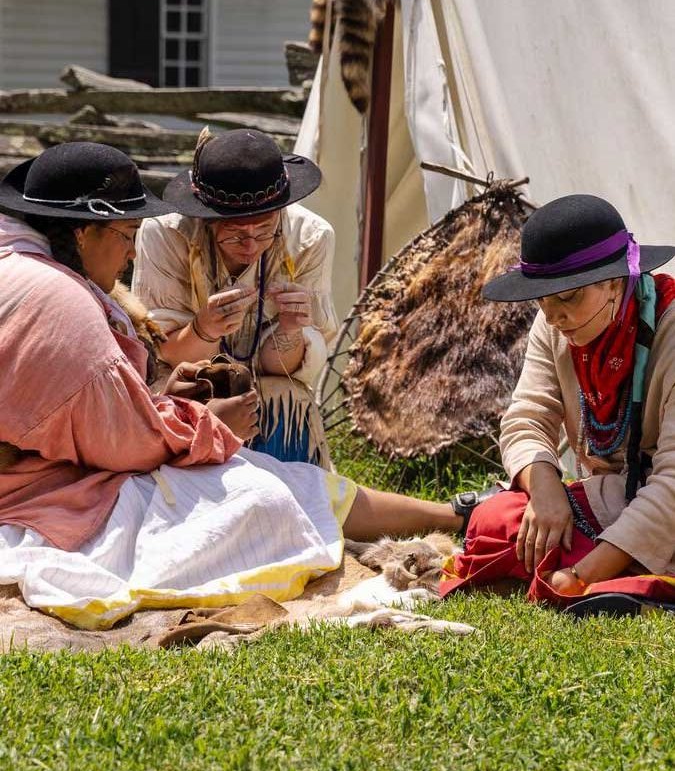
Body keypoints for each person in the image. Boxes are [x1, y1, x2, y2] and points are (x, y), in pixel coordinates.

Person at [0, 142, 466, 628]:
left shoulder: (27, 266)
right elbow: (122, 441)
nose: (131, 253)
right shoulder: (63, 298)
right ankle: (451, 514)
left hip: (76, 457)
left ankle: (454, 513)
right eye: (125, 235)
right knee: (261, 496)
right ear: (82, 232)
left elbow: (92, 410)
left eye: (264, 229)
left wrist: (280, 338)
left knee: (274, 473)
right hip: (39, 485)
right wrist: (204, 419)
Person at [442, 194, 675, 604]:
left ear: (614, 281)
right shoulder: (554, 325)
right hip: (612, 497)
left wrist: (581, 575)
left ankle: (613, 577)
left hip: (666, 507)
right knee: (492, 522)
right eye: (542, 300)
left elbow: (672, 484)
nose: (552, 316)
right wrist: (546, 490)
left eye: (567, 297)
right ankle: (616, 577)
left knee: (554, 557)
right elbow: (527, 418)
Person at [132, 128, 338, 468]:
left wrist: (289, 330)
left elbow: (286, 371)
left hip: (269, 386)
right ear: (208, 220)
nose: (251, 245)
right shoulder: (166, 233)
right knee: (187, 404)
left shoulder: (310, 238)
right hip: (186, 382)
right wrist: (204, 330)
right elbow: (160, 350)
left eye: (265, 230)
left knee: (285, 396)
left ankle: (292, 490)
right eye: (236, 234)